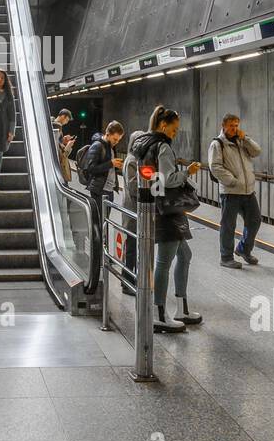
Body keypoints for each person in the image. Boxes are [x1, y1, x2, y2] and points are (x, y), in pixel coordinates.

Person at [131, 106, 203, 331]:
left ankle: (181, 307)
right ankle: (159, 314)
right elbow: (168, 178)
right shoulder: (162, 146)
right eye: (174, 129)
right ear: (164, 125)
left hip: (155, 203)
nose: (175, 133)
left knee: (184, 255)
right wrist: (187, 172)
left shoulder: (144, 144)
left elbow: (152, 178)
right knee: (164, 262)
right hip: (167, 209)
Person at [208, 113, 263, 268]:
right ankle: (226, 257)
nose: (234, 129)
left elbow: (257, 151)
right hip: (230, 192)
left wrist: (245, 138)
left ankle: (244, 249)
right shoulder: (217, 144)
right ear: (223, 126)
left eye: (236, 125)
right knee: (228, 226)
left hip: (248, 192)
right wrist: (232, 181)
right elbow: (215, 167)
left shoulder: (241, 142)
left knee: (255, 220)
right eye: (231, 126)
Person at [80, 121, 125, 241]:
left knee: (105, 223)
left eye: (118, 140)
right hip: (99, 190)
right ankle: (98, 253)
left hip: (108, 190)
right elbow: (90, 168)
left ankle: (104, 253)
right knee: (99, 224)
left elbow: (105, 167)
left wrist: (114, 166)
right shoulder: (97, 146)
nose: (116, 142)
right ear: (108, 134)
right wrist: (111, 163)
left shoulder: (110, 147)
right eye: (115, 139)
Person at [52, 107, 76, 184]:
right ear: (63, 116)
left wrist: (63, 140)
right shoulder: (57, 125)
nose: (67, 122)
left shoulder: (52, 123)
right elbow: (57, 148)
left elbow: (56, 141)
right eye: (67, 120)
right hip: (59, 162)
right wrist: (68, 145)